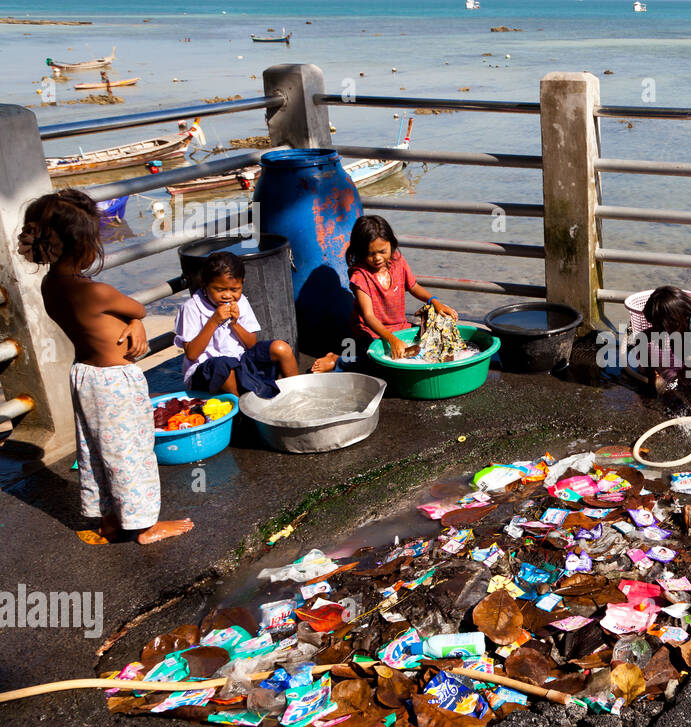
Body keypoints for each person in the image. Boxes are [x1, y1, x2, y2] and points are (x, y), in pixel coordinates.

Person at [18, 189, 193, 545]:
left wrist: (132, 324)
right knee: (131, 452)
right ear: (84, 245)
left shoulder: (51, 285)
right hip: (115, 382)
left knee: (98, 450)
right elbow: (138, 308)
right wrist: (137, 321)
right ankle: (144, 526)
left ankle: (110, 518)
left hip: (85, 375)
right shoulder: (95, 291)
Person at [175, 251, 335, 398]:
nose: (227, 295)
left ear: (242, 283)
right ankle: (242, 412)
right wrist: (214, 321)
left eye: (234, 289)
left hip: (239, 360)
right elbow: (192, 354)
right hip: (206, 371)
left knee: (281, 348)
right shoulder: (191, 308)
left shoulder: (241, 301)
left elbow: (251, 344)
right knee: (223, 366)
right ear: (204, 284)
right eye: (219, 289)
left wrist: (235, 323)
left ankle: (299, 395)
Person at [346, 215, 457, 358]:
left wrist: (435, 302)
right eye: (370, 254)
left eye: (382, 251)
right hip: (371, 332)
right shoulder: (360, 276)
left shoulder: (397, 261)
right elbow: (368, 316)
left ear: (391, 244)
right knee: (368, 358)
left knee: (436, 337)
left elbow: (414, 287)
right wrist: (392, 340)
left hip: (399, 327)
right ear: (361, 252)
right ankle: (336, 360)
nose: (378, 258)